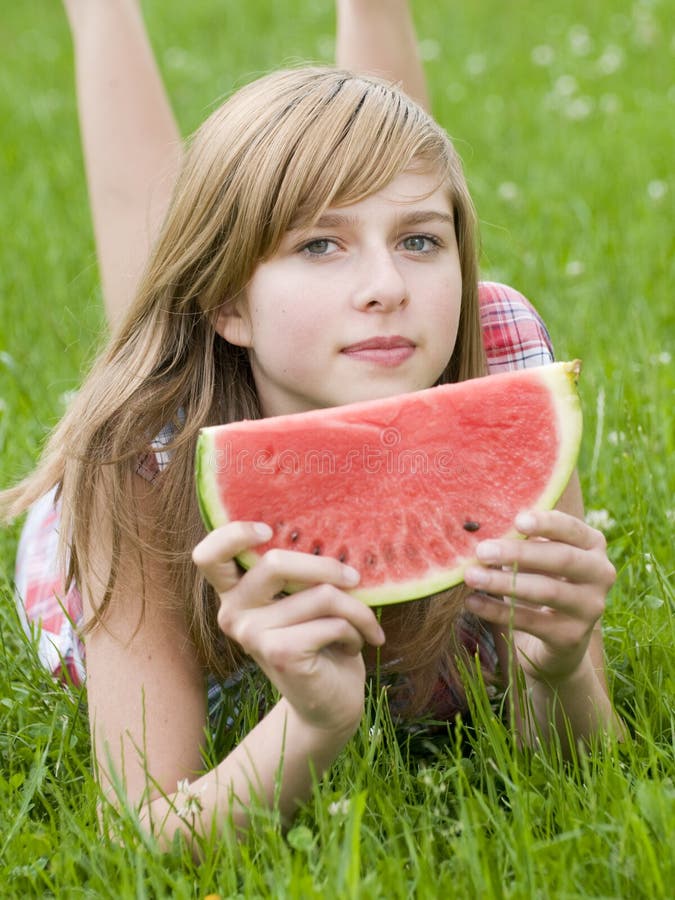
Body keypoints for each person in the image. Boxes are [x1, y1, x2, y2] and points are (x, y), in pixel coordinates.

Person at [2, 0, 621, 850]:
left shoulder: (500, 354)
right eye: (318, 246)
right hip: (147, 480)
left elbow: (579, 769)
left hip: (239, 364)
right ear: (228, 304)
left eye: (421, 242)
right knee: (147, 341)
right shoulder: (133, 458)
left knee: (376, 160)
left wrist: (556, 667)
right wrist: (312, 727)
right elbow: (138, 833)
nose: (386, 286)